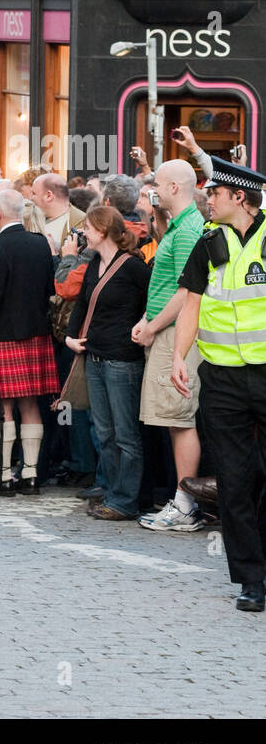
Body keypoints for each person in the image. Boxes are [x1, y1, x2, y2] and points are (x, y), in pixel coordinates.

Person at [171, 157, 266, 611]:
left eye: (215, 194)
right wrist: (178, 358)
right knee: (233, 479)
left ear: (239, 198)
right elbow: (191, 304)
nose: (208, 199)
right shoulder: (209, 243)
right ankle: (251, 580)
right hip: (223, 378)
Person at [0, 190, 58, 495]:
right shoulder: (40, 243)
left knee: (4, 406)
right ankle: (31, 476)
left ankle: (4, 476)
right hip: (37, 333)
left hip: (5, 336)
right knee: (31, 404)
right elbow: (49, 289)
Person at [133, 160, 207, 531]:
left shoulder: (190, 227)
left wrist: (153, 326)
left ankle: (185, 504)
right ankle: (182, 501)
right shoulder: (180, 224)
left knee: (180, 419)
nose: (153, 190)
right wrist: (148, 321)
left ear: (175, 188)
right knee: (174, 420)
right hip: (166, 330)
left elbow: (187, 291)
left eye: (158, 184)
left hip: (176, 333)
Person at [64, 207, 151, 520]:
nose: (83, 233)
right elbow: (82, 304)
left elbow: (155, 298)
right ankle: (113, 494)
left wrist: (144, 323)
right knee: (104, 433)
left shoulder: (131, 267)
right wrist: (70, 338)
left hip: (122, 361)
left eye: (87, 227)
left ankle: (125, 500)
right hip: (95, 357)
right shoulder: (93, 264)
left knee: (125, 434)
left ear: (101, 231)